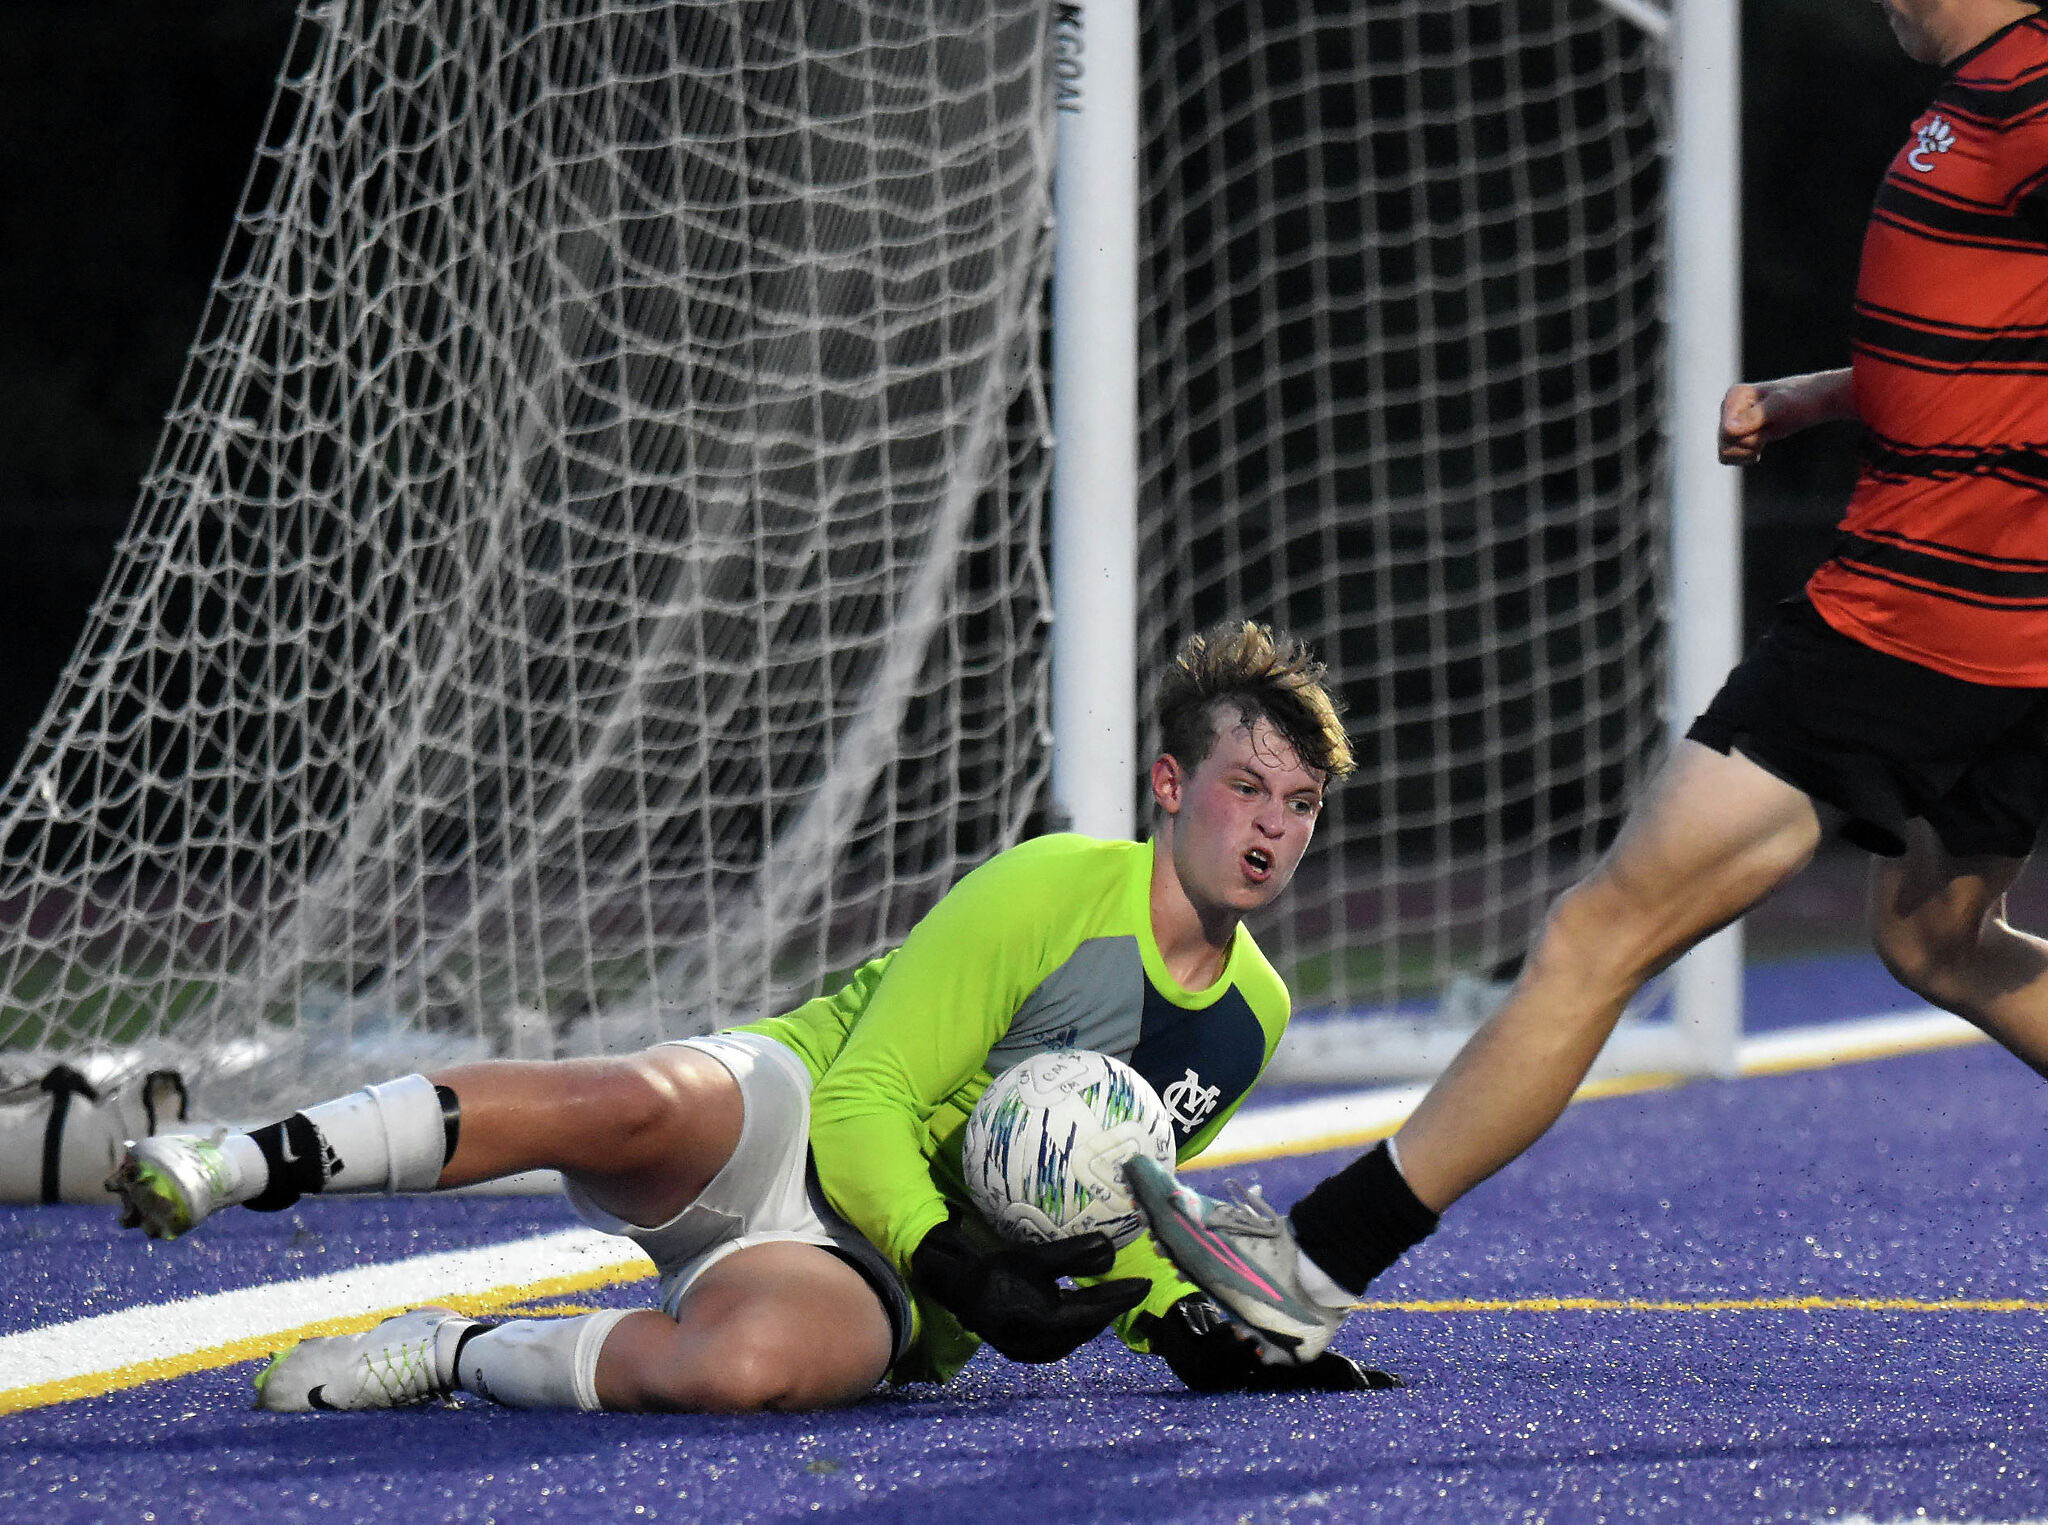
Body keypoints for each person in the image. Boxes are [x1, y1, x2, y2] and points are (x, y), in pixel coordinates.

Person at [1129, 0, 2048, 1365]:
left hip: (1913, 620)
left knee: (1595, 934)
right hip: (2005, 630)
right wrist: (1819, 395)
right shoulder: (1985, 91)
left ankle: (1309, 1269)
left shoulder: (2028, 89)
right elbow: (1991, 344)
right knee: (1936, 941)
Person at [111, 621, 1384, 1412]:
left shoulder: (1249, 1018)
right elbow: (866, 1094)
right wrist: (956, 1253)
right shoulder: (1052, 887)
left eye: (1299, 805)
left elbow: (1120, 1194)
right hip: (797, 1110)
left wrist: (1189, 1322)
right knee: (626, 1102)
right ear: (1168, 783)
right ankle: (242, 1157)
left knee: (739, 1372)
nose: (1271, 827)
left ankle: (449, 1352)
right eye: (1245, 787)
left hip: (879, 1274)